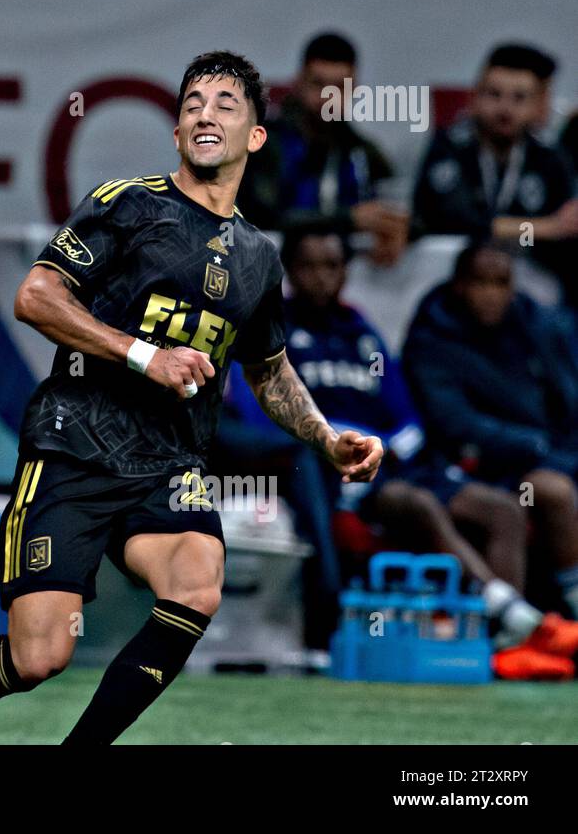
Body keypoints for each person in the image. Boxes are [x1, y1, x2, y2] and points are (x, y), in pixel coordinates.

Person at [0, 51, 382, 745]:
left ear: (256, 137)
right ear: (175, 132)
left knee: (198, 580)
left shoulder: (258, 255)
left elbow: (269, 369)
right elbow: (34, 295)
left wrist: (324, 435)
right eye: (192, 102)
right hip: (73, 444)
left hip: (169, 462)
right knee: (38, 656)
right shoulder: (129, 205)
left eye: (225, 104)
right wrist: (144, 355)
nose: (204, 113)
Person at [225, 226, 578, 676]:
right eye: (309, 266)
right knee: (415, 504)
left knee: (503, 509)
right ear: (289, 272)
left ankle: (499, 645)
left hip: (396, 462)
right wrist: (339, 441)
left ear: (345, 271)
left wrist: (395, 447)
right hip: (338, 469)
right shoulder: (272, 331)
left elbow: (404, 411)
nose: (321, 277)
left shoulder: (362, 334)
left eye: (332, 266)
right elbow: (261, 411)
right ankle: (515, 616)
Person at [403, 243, 578, 630]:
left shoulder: (536, 328)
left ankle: (568, 605)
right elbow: (455, 424)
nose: (491, 293)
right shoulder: (432, 340)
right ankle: (508, 634)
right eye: (480, 282)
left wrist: (552, 449)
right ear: (459, 285)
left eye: (501, 283)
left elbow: (567, 405)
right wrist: (535, 445)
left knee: (554, 487)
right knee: (544, 495)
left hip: (533, 459)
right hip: (462, 467)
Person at [411, 43, 578, 299]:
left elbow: (560, 233)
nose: (505, 109)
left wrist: (537, 231)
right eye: (494, 95)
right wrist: (539, 228)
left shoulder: (549, 157)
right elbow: (455, 220)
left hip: (526, 278)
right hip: (450, 274)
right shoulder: (450, 146)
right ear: (475, 97)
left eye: (519, 98)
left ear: (536, 104)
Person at [239, 32, 407, 266]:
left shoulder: (363, 151)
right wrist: (349, 219)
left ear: (354, 89)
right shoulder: (264, 143)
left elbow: (413, 213)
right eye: (318, 84)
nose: (327, 98)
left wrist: (398, 229)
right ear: (298, 83)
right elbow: (263, 216)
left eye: (339, 87)